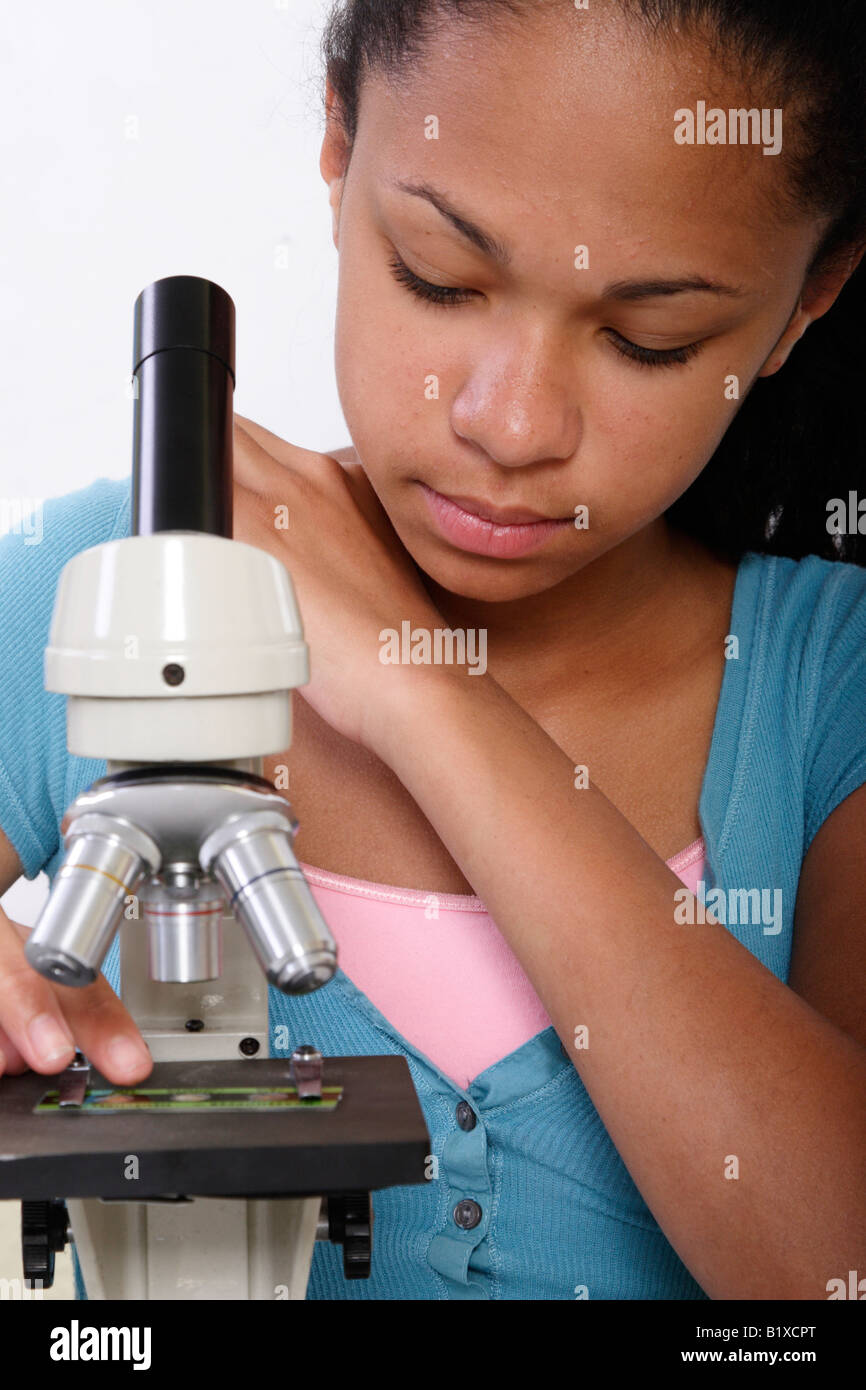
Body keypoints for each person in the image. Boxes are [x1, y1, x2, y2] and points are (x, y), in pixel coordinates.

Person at [1, 0, 865, 1301]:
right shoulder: (117, 573)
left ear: (808, 298)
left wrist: (421, 690)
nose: (511, 425)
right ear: (339, 139)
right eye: (438, 276)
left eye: (649, 339)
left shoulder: (828, 680)